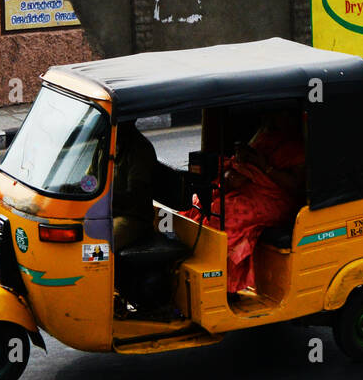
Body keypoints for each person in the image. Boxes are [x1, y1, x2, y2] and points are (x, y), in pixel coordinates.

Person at [184, 112, 306, 295]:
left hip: (276, 197)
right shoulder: (267, 133)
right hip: (250, 185)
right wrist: (240, 161)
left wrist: (263, 167)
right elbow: (246, 155)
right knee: (201, 202)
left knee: (223, 214)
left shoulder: (297, 148)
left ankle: (224, 285)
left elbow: (295, 185)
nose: (277, 118)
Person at [112, 122, 161, 249]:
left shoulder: (140, 149)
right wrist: (73, 189)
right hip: (105, 210)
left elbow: (134, 197)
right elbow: (90, 181)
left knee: (99, 242)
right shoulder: (106, 145)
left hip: (132, 216)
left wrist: (103, 199)